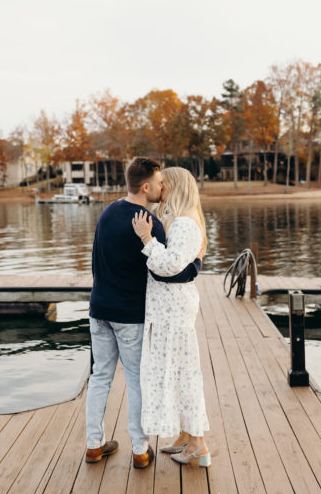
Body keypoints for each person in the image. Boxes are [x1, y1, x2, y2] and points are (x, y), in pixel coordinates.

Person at [86, 158, 202, 469]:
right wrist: (195, 267)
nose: (163, 187)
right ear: (147, 186)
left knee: (99, 378)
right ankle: (140, 450)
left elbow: (95, 260)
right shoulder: (150, 224)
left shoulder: (107, 213)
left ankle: (93, 445)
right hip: (130, 315)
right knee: (137, 381)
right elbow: (167, 271)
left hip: (99, 309)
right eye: (160, 181)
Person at [131, 166, 211, 467]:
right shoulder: (180, 220)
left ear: (175, 187)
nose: (159, 188)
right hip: (170, 309)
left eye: (163, 184)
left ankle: (198, 445)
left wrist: (147, 239)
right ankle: (184, 435)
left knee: (184, 375)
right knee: (177, 373)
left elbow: (170, 266)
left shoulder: (185, 224)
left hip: (173, 311)